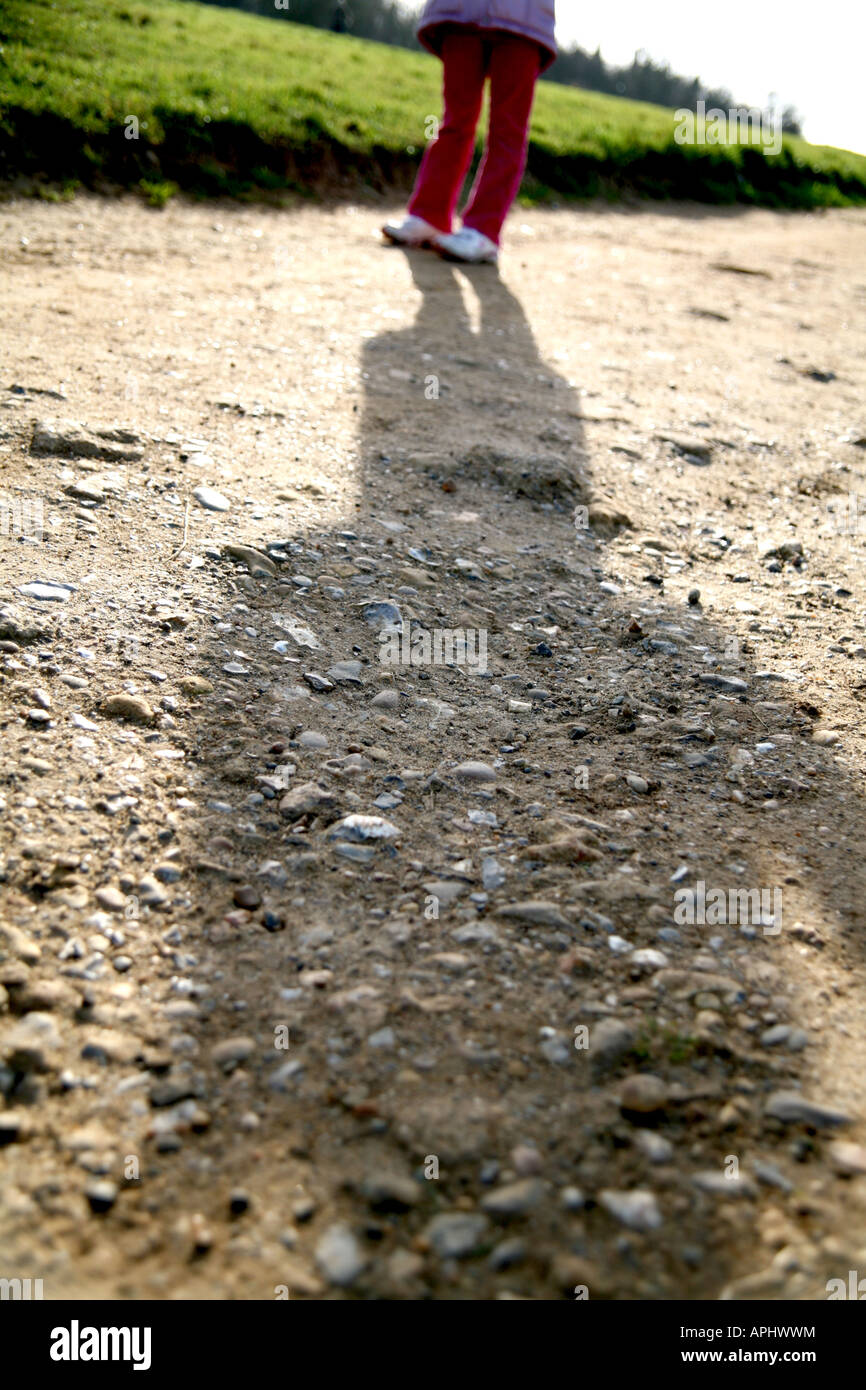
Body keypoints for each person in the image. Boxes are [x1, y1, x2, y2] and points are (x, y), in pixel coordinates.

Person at [383, 1, 556, 265]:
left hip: (524, 19)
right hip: (461, 12)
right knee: (453, 122)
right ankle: (430, 214)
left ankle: (483, 230)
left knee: (508, 131)